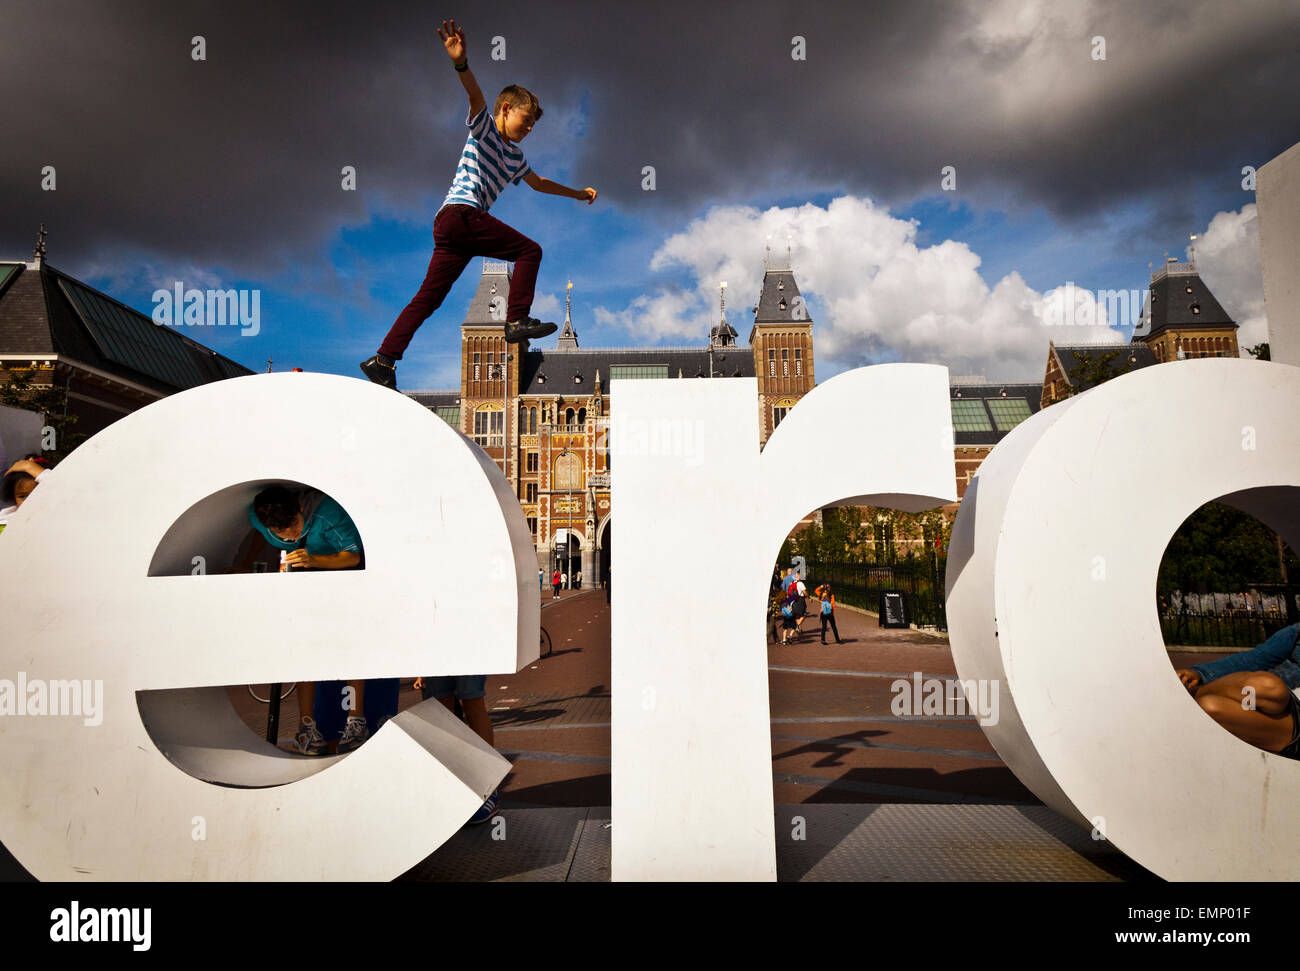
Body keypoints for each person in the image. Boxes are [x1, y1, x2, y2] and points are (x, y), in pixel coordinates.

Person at [359, 19, 598, 391]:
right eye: (527, 119)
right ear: (506, 109)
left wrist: (578, 194)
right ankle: (516, 320)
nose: (530, 128)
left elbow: (539, 184)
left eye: (534, 124)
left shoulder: (516, 158)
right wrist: (460, 62)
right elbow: (474, 97)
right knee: (529, 251)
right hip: (461, 215)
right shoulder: (485, 126)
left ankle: (384, 359)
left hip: (454, 231)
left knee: (428, 298)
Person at [236, 486, 368, 756]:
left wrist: (314, 558)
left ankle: (356, 722)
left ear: (300, 509)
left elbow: (353, 555)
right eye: (282, 533)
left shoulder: (329, 513)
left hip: (340, 576)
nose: (292, 535)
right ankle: (306, 727)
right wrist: (247, 561)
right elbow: (260, 537)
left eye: (295, 526)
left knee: (349, 649)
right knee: (305, 652)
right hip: (302, 584)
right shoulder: (256, 516)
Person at [1177, 623, 1300, 759]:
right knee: (1267, 686)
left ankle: (1190, 703)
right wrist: (1199, 674)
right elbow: (1254, 658)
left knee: (1211, 707)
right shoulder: (1296, 630)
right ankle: (1187, 696)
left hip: (1292, 725)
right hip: (1275, 698)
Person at [419, 674, 501, 825]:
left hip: (468, 651)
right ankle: (451, 785)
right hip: (434, 651)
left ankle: (487, 787)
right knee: (439, 707)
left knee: (472, 703)